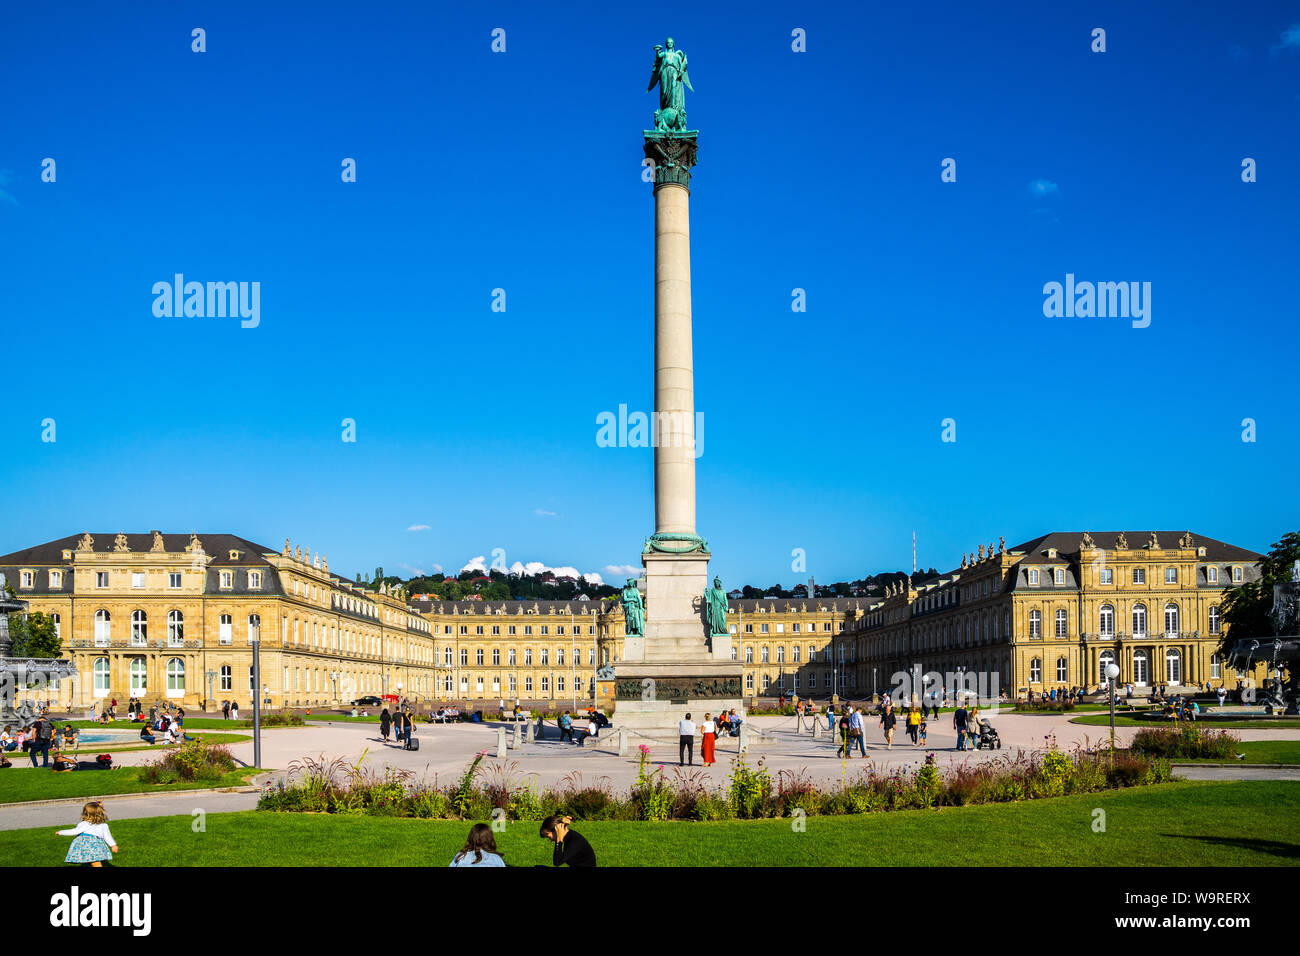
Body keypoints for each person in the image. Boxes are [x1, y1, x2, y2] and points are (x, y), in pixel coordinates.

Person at [56, 802, 118, 867]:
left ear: (85, 813)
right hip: (95, 846)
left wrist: (61, 832)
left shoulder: (85, 824)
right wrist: (113, 845)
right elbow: (107, 836)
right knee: (93, 862)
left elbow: (74, 831)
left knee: (94, 862)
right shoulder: (102, 825)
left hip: (87, 847)